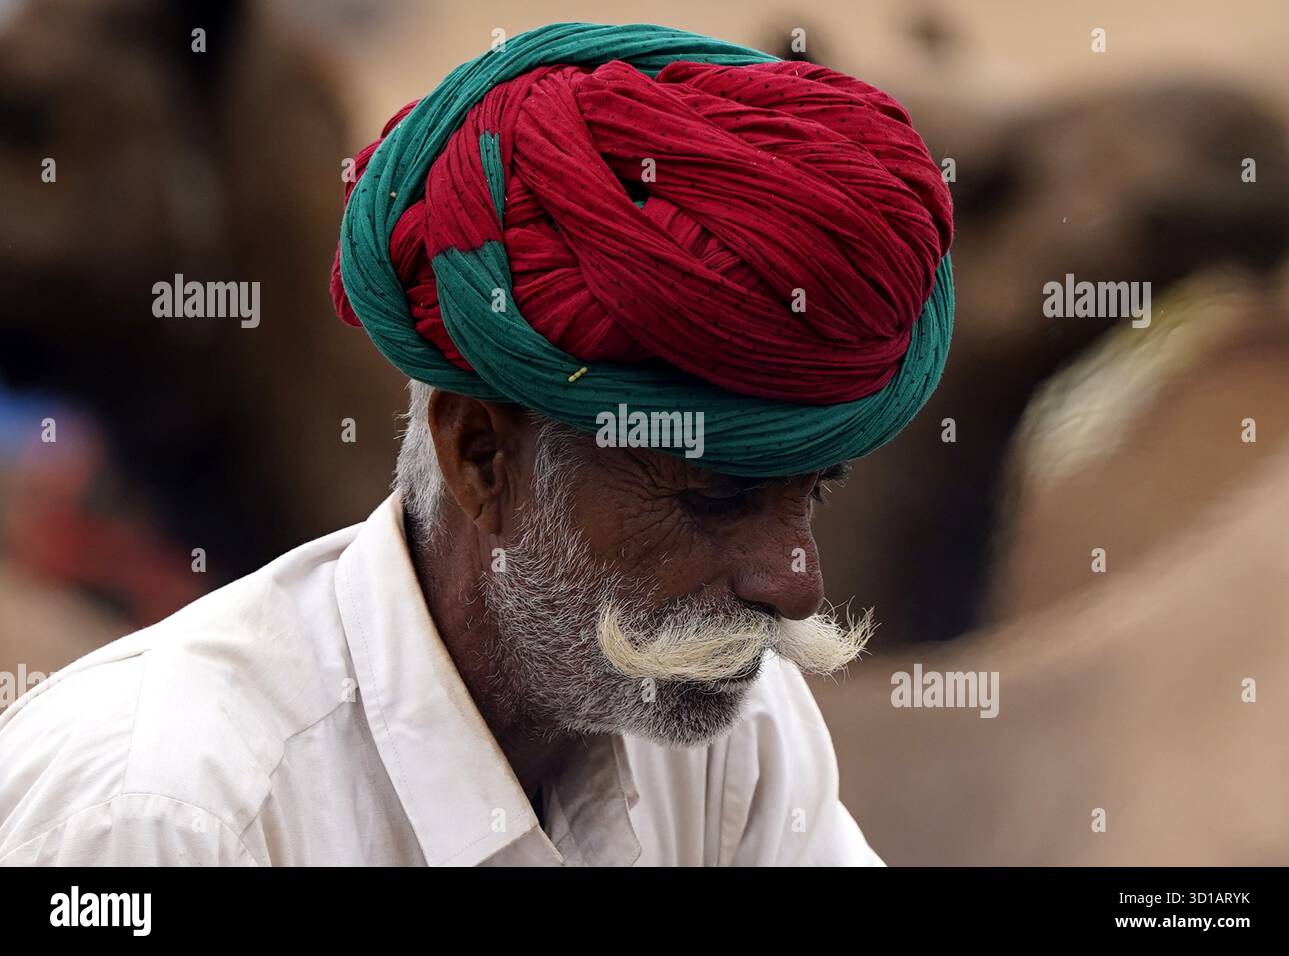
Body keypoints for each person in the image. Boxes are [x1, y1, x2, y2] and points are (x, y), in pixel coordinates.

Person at [0, 22, 953, 866]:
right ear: (482, 460)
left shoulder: (726, 734)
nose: (794, 585)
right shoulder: (162, 818)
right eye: (714, 496)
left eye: (812, 493)